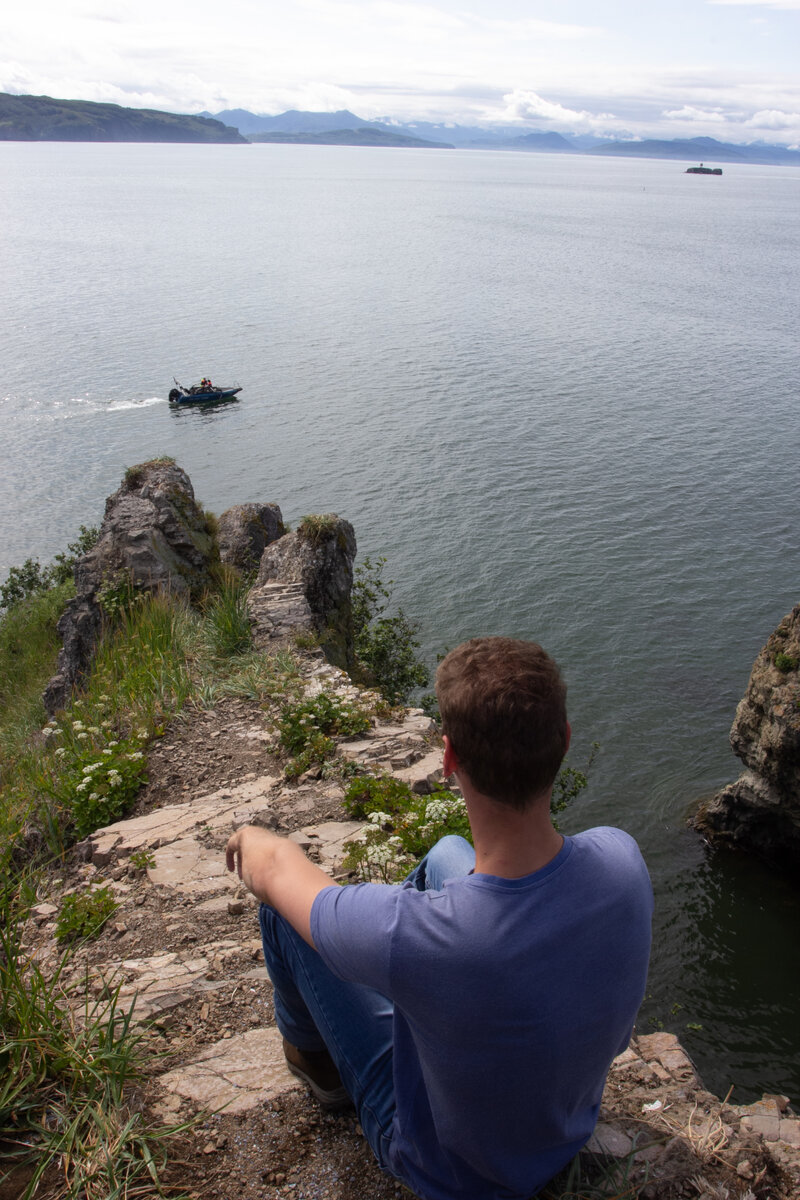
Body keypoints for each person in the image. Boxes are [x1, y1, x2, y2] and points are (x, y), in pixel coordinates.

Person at [225, 637, 653, 1200]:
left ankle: (318, 1068)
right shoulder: (623, 859)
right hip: (565, 1124)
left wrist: (253, 837)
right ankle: (438, 999)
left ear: (448, 758)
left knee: (285, 917)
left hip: (447, 1168)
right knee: (448, 851)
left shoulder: (422, 934)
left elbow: (276, 868)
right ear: (565, 741)